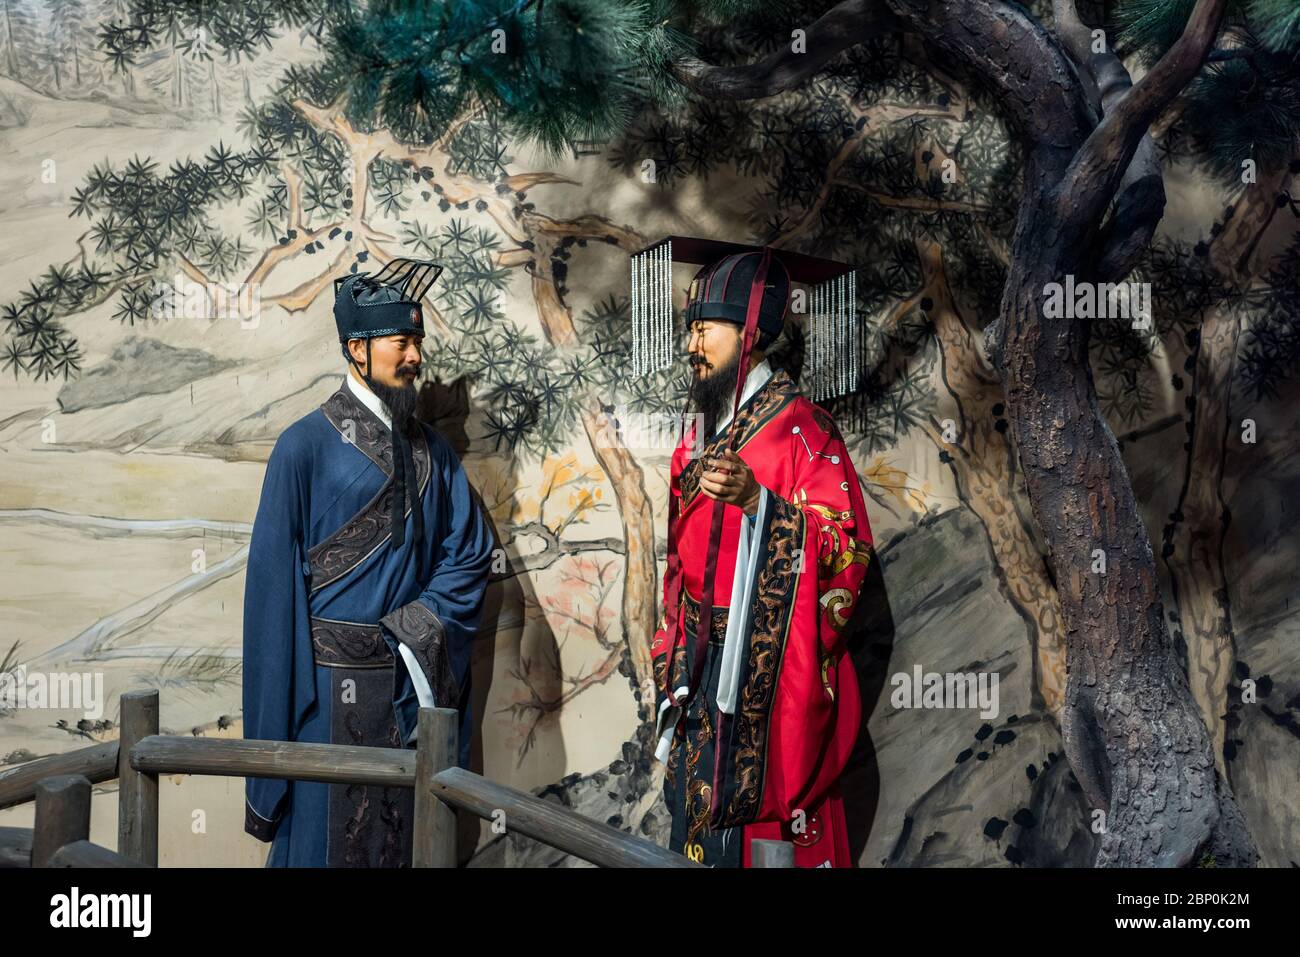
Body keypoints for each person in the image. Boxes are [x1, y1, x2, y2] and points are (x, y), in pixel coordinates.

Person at [241, 260, 495, 867]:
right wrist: (274, 731)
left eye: (418, 343)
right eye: (401, 343)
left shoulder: (432, 451)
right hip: (325, 700)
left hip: (407, 693)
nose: (415, 357)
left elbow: (470, 553)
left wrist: (416, 633)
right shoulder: (301, 446)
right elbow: (272, 597)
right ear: (356, 348)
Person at [635, 238, 873, 867]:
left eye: (704, 329)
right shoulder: (696, 437)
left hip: (766, 675)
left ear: (750, 334)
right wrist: (671, 646)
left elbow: (845, 551)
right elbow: (678, 562)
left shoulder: (806, 431)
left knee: (761, 838)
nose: (691, 345)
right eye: (690, 330)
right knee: (693, 828)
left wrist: (759, 504)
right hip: (699, 658)